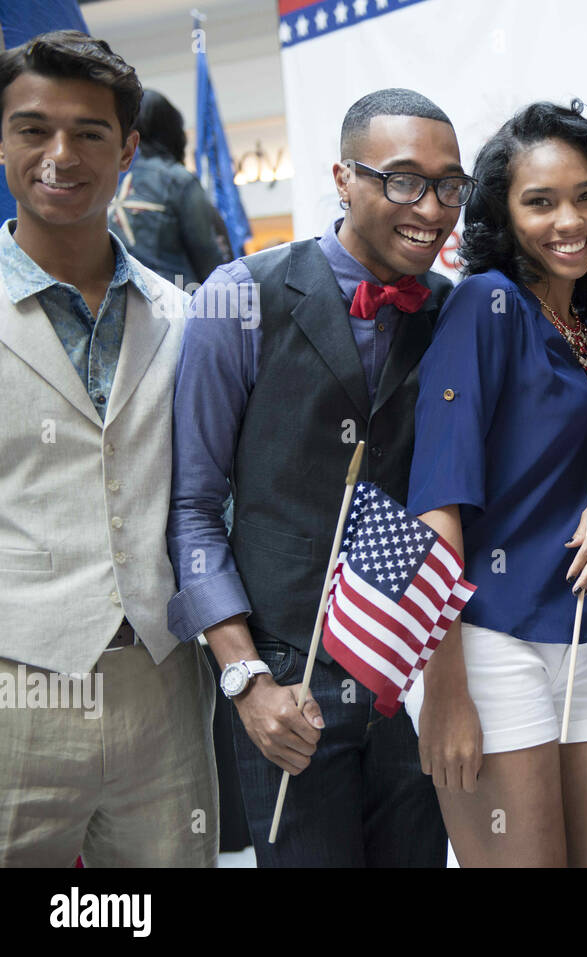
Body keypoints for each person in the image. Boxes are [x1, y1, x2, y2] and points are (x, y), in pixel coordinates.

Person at [167, 88, 465, 866]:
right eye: (403, 180)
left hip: (409, 686)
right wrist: (246, 680)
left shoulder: (454, 311)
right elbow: (193, 510)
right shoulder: (236, 297)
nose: (431, 208)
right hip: (286, 688)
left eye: (448, 186)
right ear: (342, 178)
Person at [407, 101, 587, 867]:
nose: (570, 220)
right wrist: (444, 686)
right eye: (540, 201)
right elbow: (437, 503)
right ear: (503, 215)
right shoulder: (486, 304)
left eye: (586, 195)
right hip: (487, 641)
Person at [0, 30, 217, 866]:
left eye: (90, 132)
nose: (61, 155)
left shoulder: (185, 314)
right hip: (18, 683)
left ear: (127, 149)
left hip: (160, 686)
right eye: (32, 129)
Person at [108, 89, 227, 290]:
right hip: (177, 304)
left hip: (122, 304)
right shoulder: (178, 180)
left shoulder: (108, 178)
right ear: (171, 128)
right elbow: (208, 260)